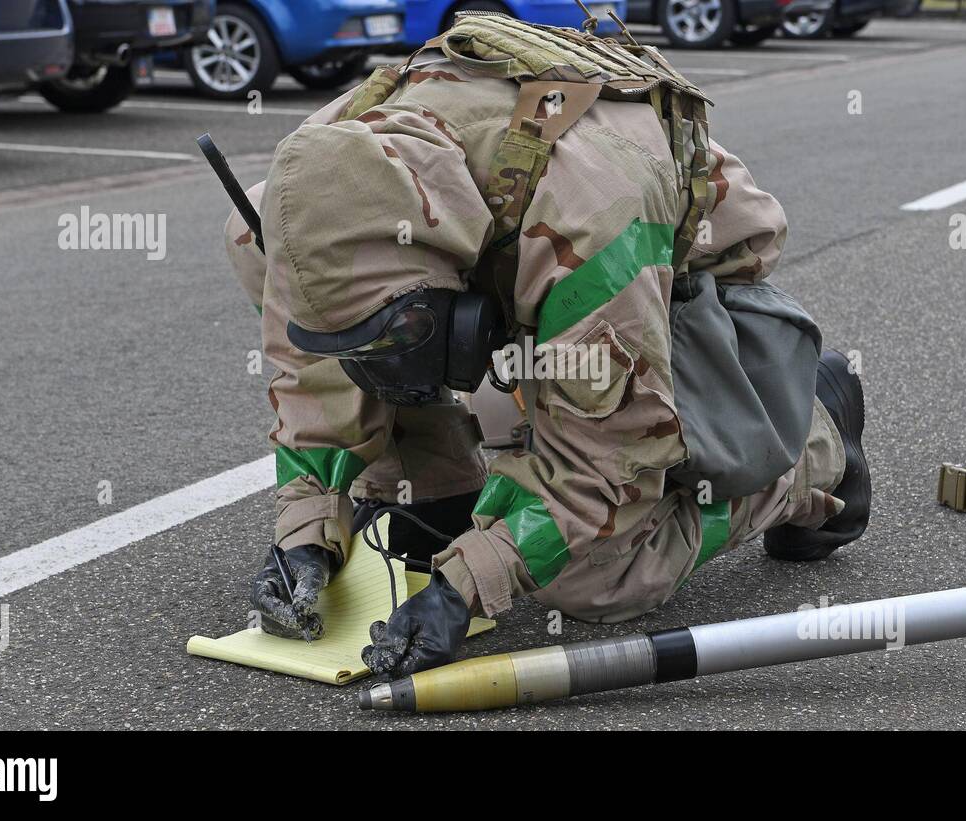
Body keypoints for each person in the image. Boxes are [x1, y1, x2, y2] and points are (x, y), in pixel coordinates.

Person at [223, 13, 870, 679]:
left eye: (398, 336)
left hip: (679, 280)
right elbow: (314, 358)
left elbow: (606, 471)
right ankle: (437, 486)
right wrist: (305, 528)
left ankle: (814, 448)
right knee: (327, 300)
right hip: (504, 254)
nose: (375, 372)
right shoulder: (304, 201)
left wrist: (464, 587)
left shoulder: (589, 229)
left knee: (595, 580)